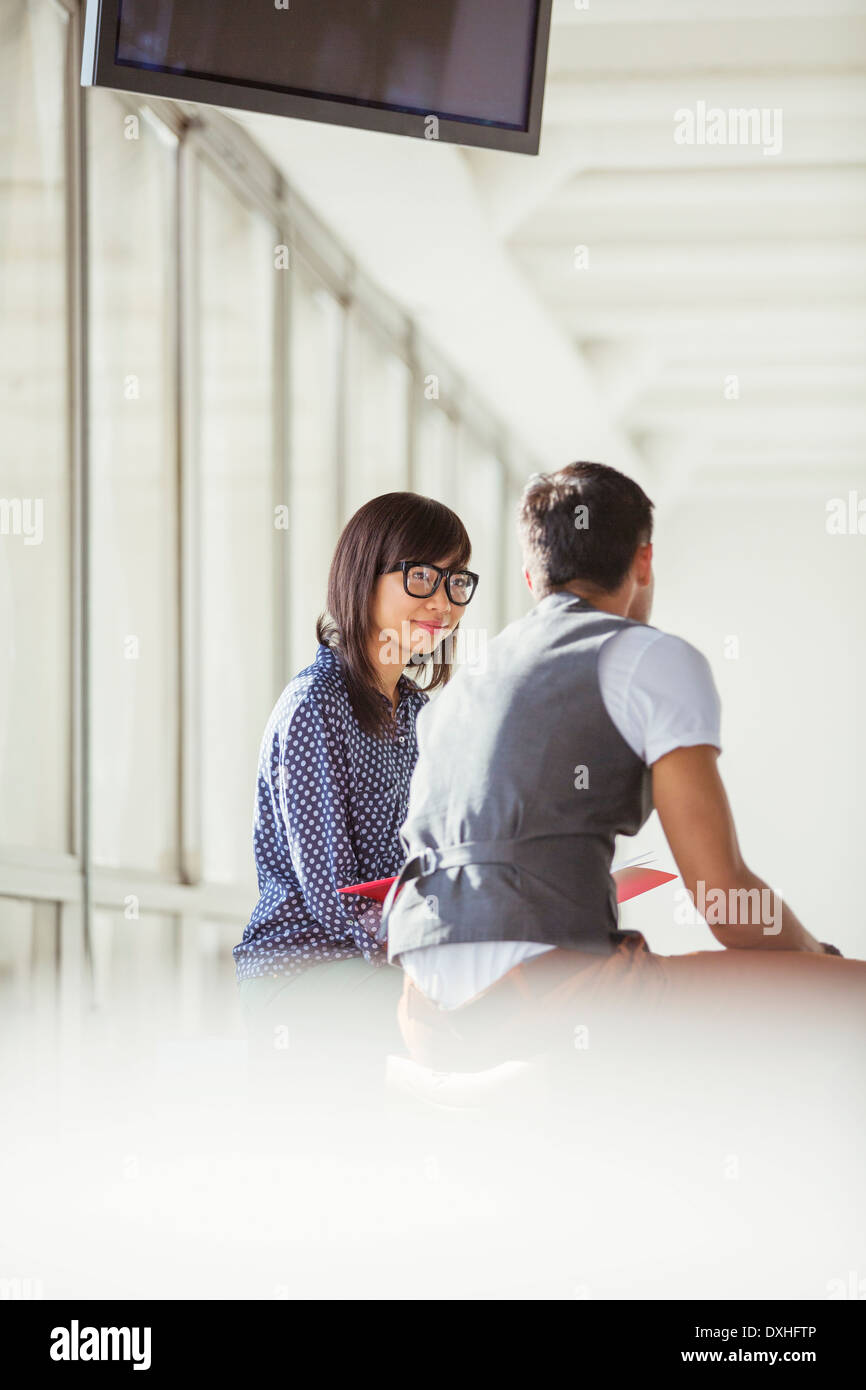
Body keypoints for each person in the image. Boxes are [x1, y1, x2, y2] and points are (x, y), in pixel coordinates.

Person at [380, 462, 855, 1070]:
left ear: (533, 578)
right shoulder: (647, 655)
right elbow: (723, 899)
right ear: (644, 561)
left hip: (426, 1018)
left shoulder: (459, 687)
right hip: (548, 997)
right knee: (849, 999)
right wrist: (819, 958)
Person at [232, 491, 479, 1078]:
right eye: (421, 577)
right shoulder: (315, 706)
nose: (443, 602)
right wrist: (425, 957)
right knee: (476, 1030)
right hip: (301, 973)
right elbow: (331, 893)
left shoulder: (417, 714)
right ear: (364, 576)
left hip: (378, 968)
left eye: (456, 582)